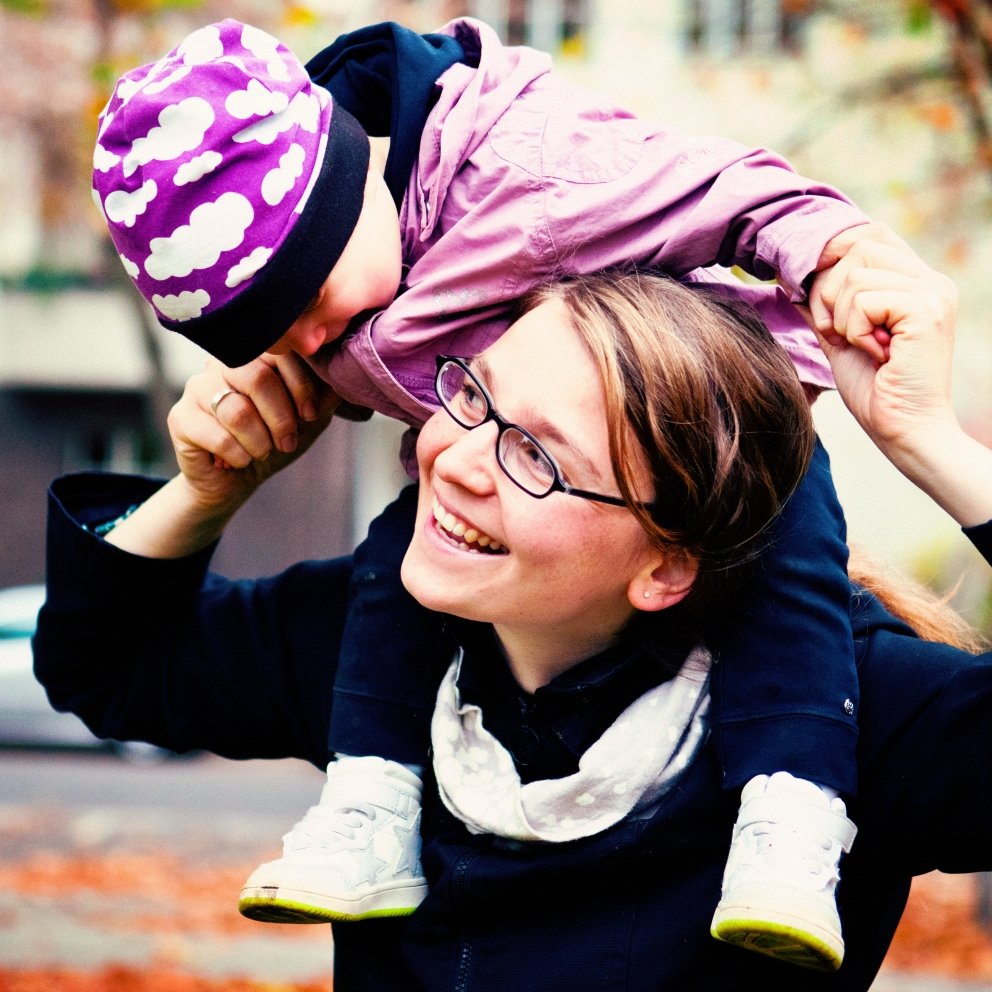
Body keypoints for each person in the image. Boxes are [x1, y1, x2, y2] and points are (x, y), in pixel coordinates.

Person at [92, 14, 910, 967]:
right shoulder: (362, 295)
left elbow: (731, 187)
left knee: (784, 553)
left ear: (352, 176)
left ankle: (793, 812)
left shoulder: (533, 174)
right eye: (262, 330)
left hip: (733, 420)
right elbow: (107, 665)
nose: (307, 344)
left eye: (302, 297)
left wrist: (844, 265)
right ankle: (370, 796)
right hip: (512, 561)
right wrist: (207, 491)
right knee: (397, 553)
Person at [34, 256, 992, 991]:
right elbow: (105, 666)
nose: (454, 461)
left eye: (534, 452)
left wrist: (935, 447)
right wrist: (205, 493)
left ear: (665, 564)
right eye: (473, 395)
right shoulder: (381, 642)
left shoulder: (846, 716)